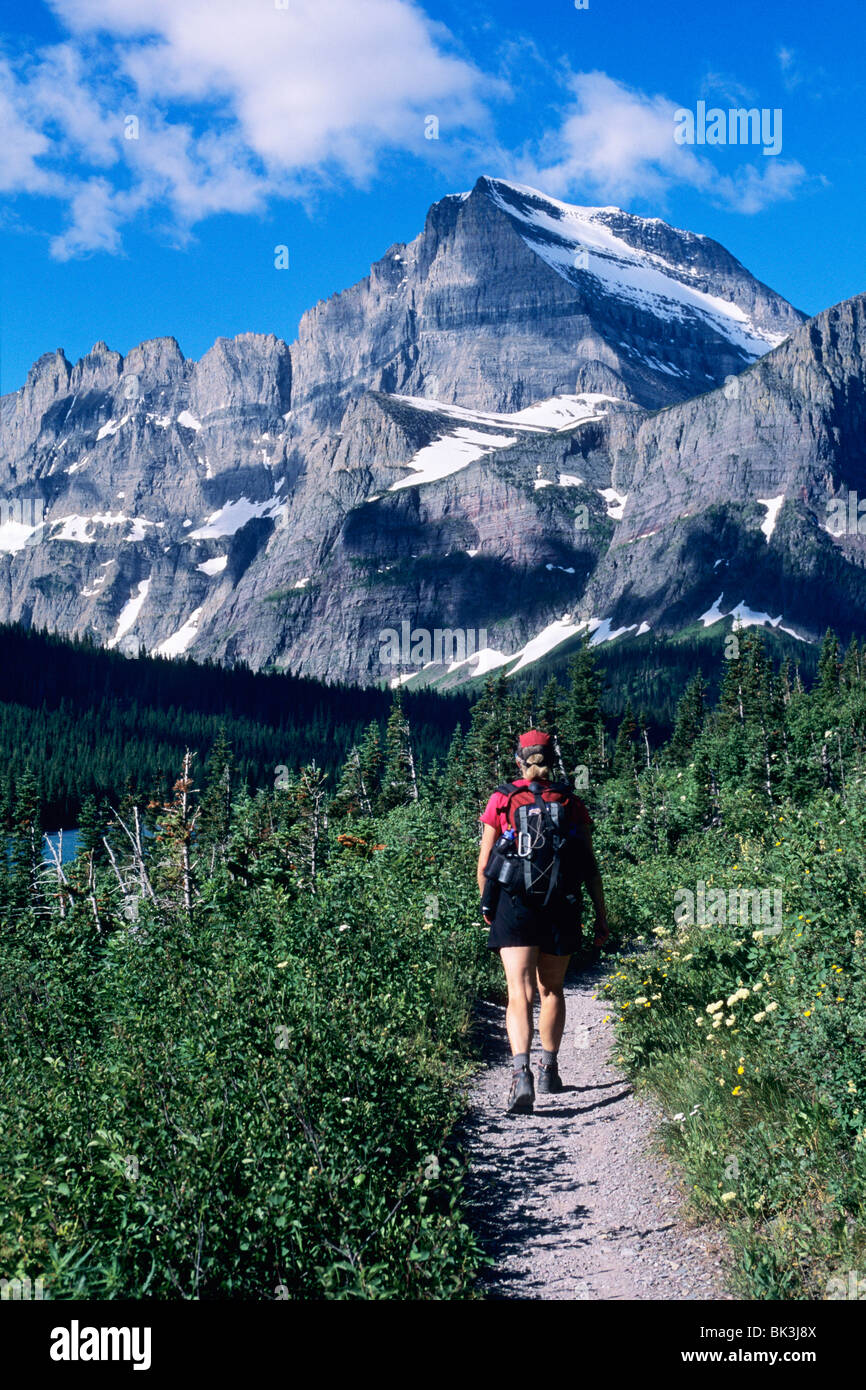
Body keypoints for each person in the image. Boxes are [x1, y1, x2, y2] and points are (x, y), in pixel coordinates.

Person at [476, 729, 609, 1114]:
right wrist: (601, 915)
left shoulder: (502, 797)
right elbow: (588, 865)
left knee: (519, 993)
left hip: (514, 904)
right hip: (561, 904)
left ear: (519, 760)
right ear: (552, 760)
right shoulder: (569, 800)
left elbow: (485, 862)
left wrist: (487, 905)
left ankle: (521, 1076)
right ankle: (549, 1068)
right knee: (551, 989)